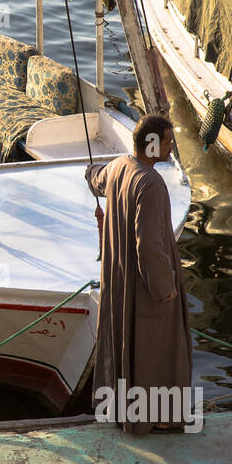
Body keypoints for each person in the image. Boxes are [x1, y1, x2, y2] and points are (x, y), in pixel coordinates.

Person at [84, 114, 192, 433]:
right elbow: (149, 247)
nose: (171, 148)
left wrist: (89, 173)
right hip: (144, 287)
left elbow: (97, 180)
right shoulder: (152, 184)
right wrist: (164, 288)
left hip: (118, 282)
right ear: (153, 143)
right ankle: (156, 419)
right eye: (168, 141)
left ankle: (123, 412)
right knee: (156, 349)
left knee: (124, 345)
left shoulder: (118, 166)